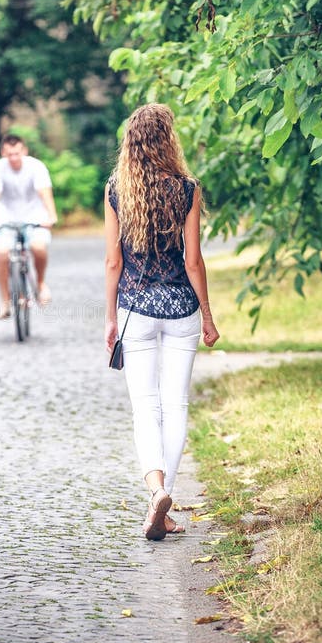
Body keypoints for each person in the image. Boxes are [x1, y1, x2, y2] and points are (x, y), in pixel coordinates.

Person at [104, 103, 220, 541]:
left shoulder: (117, 189)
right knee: (175, 407)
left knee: (144, 407)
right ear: (168, 140)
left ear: (130, 142)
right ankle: (164, 498)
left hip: (135, 311)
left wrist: (110, 319)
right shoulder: (186, 188)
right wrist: (207, 315)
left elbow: (113, 262)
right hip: (181, 312)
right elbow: (194, 261)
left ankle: (155, 493)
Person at [0, 134, 57, 318]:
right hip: (6, 219)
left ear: (24, 151)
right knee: (2, 252)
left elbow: (44, 193)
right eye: (9, 154)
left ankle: (40, 284)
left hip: (35, 217)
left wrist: (51, 216)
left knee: (38, 247)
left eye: (17, 153)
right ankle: (5, 302)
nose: (13, 158)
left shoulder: (36, 167)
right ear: (3, 153)